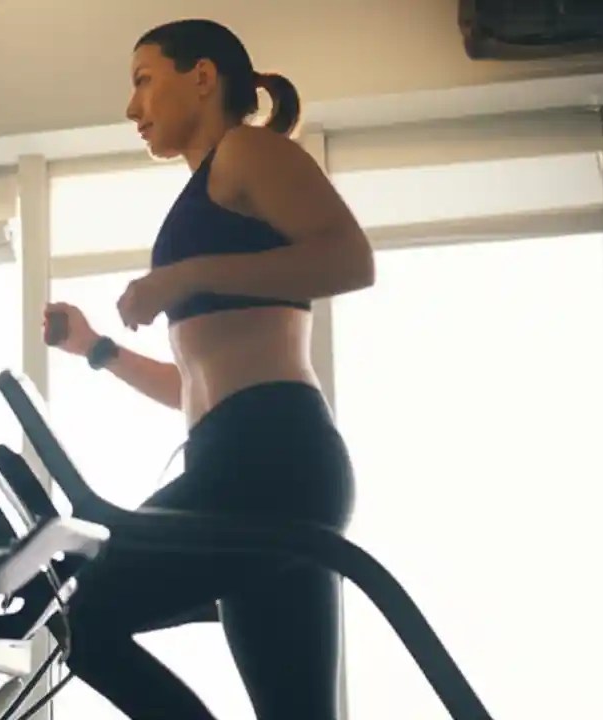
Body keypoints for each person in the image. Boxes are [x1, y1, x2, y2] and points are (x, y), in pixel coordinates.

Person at [42, 18, 375, 720]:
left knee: (81, 613)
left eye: (143, 80)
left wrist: (182, 276)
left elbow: (351, 259)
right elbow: (195, 387)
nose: (133, 108)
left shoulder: (248, 151)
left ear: (201, 77)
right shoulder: (212, 188)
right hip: (252, 459)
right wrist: (96, 349)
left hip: (269, 459)